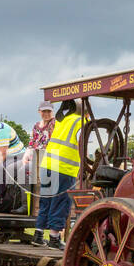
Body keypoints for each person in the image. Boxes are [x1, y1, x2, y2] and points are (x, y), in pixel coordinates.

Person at [34, 100, 86, 248]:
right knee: (60, 202)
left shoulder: (61, 120)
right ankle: (54, 238)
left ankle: (38, 235)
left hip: (48, 164)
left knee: (46, 201)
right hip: (64, 167)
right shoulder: (81, 122)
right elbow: (81, 143)